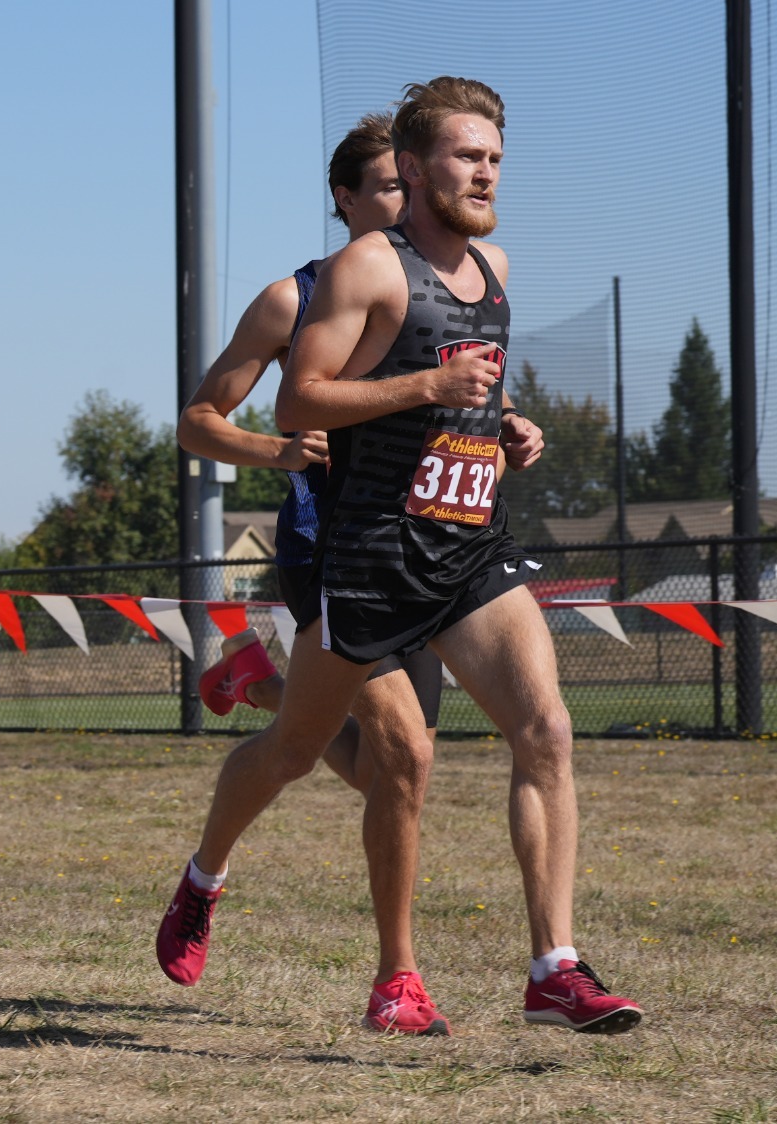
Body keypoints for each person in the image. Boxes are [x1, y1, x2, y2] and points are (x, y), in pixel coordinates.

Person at [169, 77, 642, 1035]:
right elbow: (293, 404)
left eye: (495, 159)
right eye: (468, 158)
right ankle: (204, 877)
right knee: (327, 753)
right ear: (400, 178)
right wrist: (303, 437)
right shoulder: (349, 278)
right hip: (365, 554)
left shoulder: (495, 269)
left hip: (470, 549)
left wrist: (504, 423)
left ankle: (553, 966)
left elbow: (459, 396)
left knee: (545, 731)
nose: (486, 174)